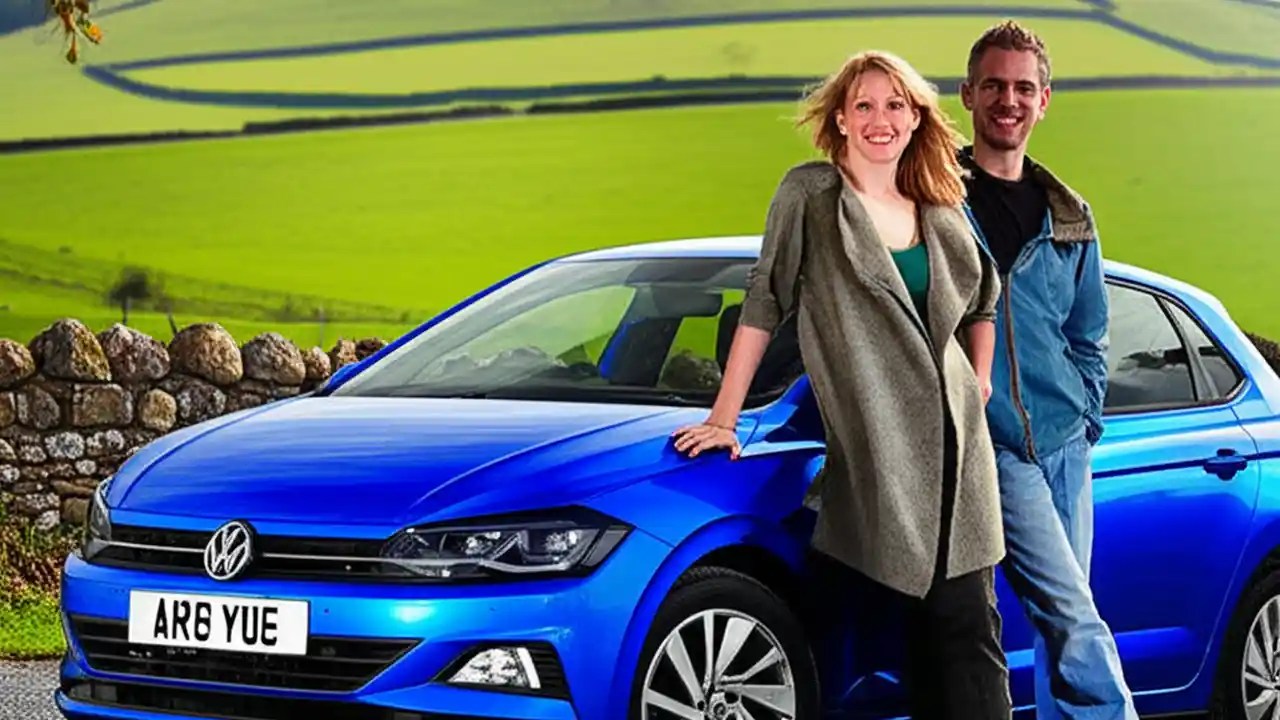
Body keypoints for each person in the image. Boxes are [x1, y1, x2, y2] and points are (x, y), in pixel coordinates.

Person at [671, 50, 1012, 719]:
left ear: (916, 118)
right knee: (844, 628)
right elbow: (764, 302)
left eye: (895, 105)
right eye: (864, 105)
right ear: (842, 120)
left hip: (957, 455)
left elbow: (983, 302)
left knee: (969, 634)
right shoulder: (811, 196)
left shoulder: (941, 207)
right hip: (874, 450)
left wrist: (979, 380)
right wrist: (725, 418)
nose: (879, 118)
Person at [957, 20, 1138, 720]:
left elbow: (1089, 332)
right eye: (995, 86)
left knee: (1063, 619)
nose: (1009, 99)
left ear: (1044, 100)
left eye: (1023, 88)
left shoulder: (1071, 215)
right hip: (995, 444)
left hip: (1065, 442)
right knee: (1070, 611)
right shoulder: (938, 202)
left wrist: (1086, 415)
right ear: (969, 94)